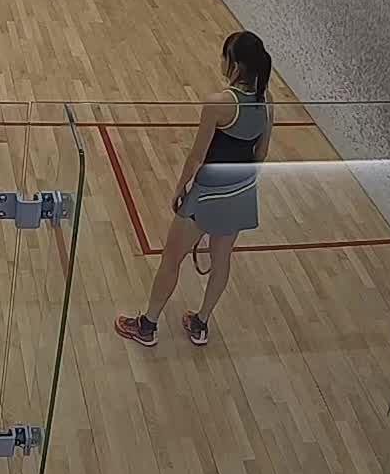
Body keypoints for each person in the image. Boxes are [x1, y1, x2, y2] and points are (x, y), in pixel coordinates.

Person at [117, 31, 273, 348]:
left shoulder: (218, 104)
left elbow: (196, 156)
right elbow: (261, 154)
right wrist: (238, 187)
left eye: (224, 56)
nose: (221, 61)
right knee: (222, 260)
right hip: (240, 191)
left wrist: (180, 189)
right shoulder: (267, 101)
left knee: (171, 258)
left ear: (235, 65)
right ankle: (200, 324)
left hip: (207, 193)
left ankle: (147, 326)